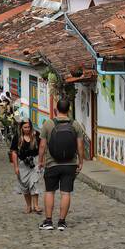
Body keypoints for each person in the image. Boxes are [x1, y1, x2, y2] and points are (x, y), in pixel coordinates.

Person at [38, 98, 86, 232]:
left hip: (52, 164)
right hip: (70, 164)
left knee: (50, 191)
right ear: (69, 110)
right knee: (65, 193)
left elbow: (42, 145)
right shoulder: (76, 125)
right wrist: (80, 161)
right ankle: (62, 222)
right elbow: (80, 146)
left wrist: (40, 161)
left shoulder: (48, 124)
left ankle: (48, 221)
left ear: (55, 110)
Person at [10, 119, 43, 214]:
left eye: (29, 127)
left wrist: (41, 161)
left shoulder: (36, 135)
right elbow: (14, 152)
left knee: (34, 183)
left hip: (35, 162)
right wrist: (15, 167)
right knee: (25, 186)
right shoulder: (17, 138)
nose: (27, 129)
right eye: (25, 127)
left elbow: (42, 148)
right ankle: (28, 206)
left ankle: (36, 205)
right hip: (23, 164)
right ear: (21, 128)